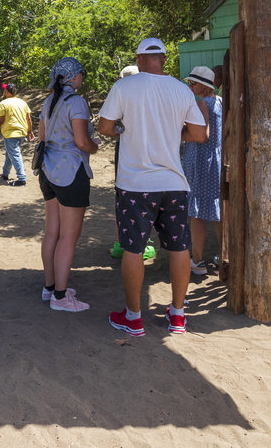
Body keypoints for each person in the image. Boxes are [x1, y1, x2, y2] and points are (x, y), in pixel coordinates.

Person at [98, 38, 207, 336]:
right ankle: (178, 316)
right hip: (173, 183)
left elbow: (105, 127)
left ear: (139, 58)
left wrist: (125, 128)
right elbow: (199, 134)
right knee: (179, 247)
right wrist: (172, 133)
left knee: (133, 249)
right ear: (164, 58)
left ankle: (133, 318)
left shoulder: (124, 88)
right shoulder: (181, 90)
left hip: (135, 185)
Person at [38, 58, 99, 312]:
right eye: (80, 74)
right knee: (69, 237)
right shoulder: (76, 102)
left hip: (47, 171)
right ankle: (61, 297)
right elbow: (83, 142)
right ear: (73, 77)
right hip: (71, 172)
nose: (82, 78)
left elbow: (41, 137)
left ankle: (50, 287)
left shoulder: (48, 101)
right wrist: (95, 147)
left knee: (52, 232)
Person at [108, 64, 157, 261]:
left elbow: (110, 125)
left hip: (124, 150)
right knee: (146, 195)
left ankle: (121, 243)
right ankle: (142, 244)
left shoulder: (118, 94)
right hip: (145, 150)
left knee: (122, 194)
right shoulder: (149, 96)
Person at [181, 66, 222, 276]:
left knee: (197, 213)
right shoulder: (221, 102)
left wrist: (180, 134)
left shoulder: (201, 104)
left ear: (204, 85)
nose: (190, 86)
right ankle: (224, 256)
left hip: (200, 161)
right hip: (215, 161)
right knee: (216, 211)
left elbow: (202, 135)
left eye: (193, 83)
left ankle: (197, 261)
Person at [0, 82, 35, 186]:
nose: (3, 92)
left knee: (14, 154)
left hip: (11, 133)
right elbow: (29, 119)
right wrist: (30, 132)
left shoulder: (3, 103)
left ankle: (22, 178)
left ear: (6, 92)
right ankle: (5, 173)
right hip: (22, 133)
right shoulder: (23, 103)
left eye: (4, 90)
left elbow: (0, 120)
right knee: (10, 154)